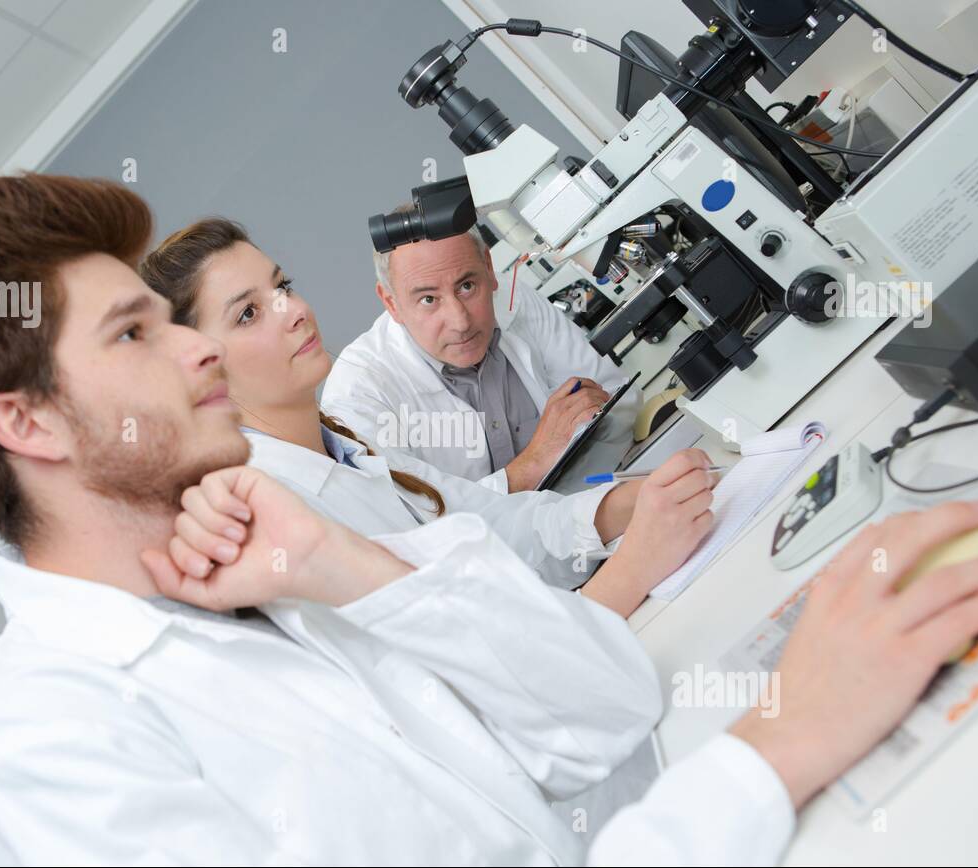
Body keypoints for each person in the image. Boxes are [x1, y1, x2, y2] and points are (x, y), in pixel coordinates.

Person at [0, 173, 978, 865]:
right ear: (27, 423)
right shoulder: (51, 755)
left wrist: (347, 562)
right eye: (134, 333)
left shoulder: (263, 577)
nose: (195, 347)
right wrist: (778, 745)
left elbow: (603, 707)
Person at [137, 217, 715, 615]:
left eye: (283, 286)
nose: (295, 312)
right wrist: (629, 572)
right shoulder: (274, 518)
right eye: (248, 315)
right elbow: (464, 658)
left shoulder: (348, 447)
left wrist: (629, 503)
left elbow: (491, 528)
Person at [322, 211, 639, 492]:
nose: (460, 322)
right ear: (391, 303)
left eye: (466, 286)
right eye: (429, 300)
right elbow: (423, 531)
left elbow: (615, 402)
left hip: (596, 509)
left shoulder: (515, 299)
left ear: (488, 267)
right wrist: (536, 460)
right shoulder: (360, 390)